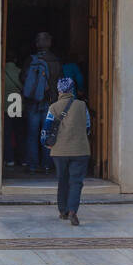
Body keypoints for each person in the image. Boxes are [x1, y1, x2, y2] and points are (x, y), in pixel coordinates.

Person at [42, 77, 91, 225]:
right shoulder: (82, 106)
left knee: (63, 181)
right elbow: (88, 127)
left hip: (59, 152)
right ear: (72, 90)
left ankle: (63, 211)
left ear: (59, 90)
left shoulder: (53, 107)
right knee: (76, 182)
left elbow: (46, 128)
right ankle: (72, 211)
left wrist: (46, 144)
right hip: (80, 150)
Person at [22, 35, 56, 171]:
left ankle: (32, 166)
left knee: (31, 135)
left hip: (32, 102)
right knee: (47, 134)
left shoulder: (30, 60)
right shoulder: (55, 61)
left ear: (36, 44)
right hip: (50, 102)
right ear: (50, 43)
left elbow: (23, 78)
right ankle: (47, 165)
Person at [3, 59, 22, 166]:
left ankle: (9, 159)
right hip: (19, 105)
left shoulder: (1, 71)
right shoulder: (20, 71)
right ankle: (22, 159)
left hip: (6, 106)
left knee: (7, 134)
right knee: (20, 133)